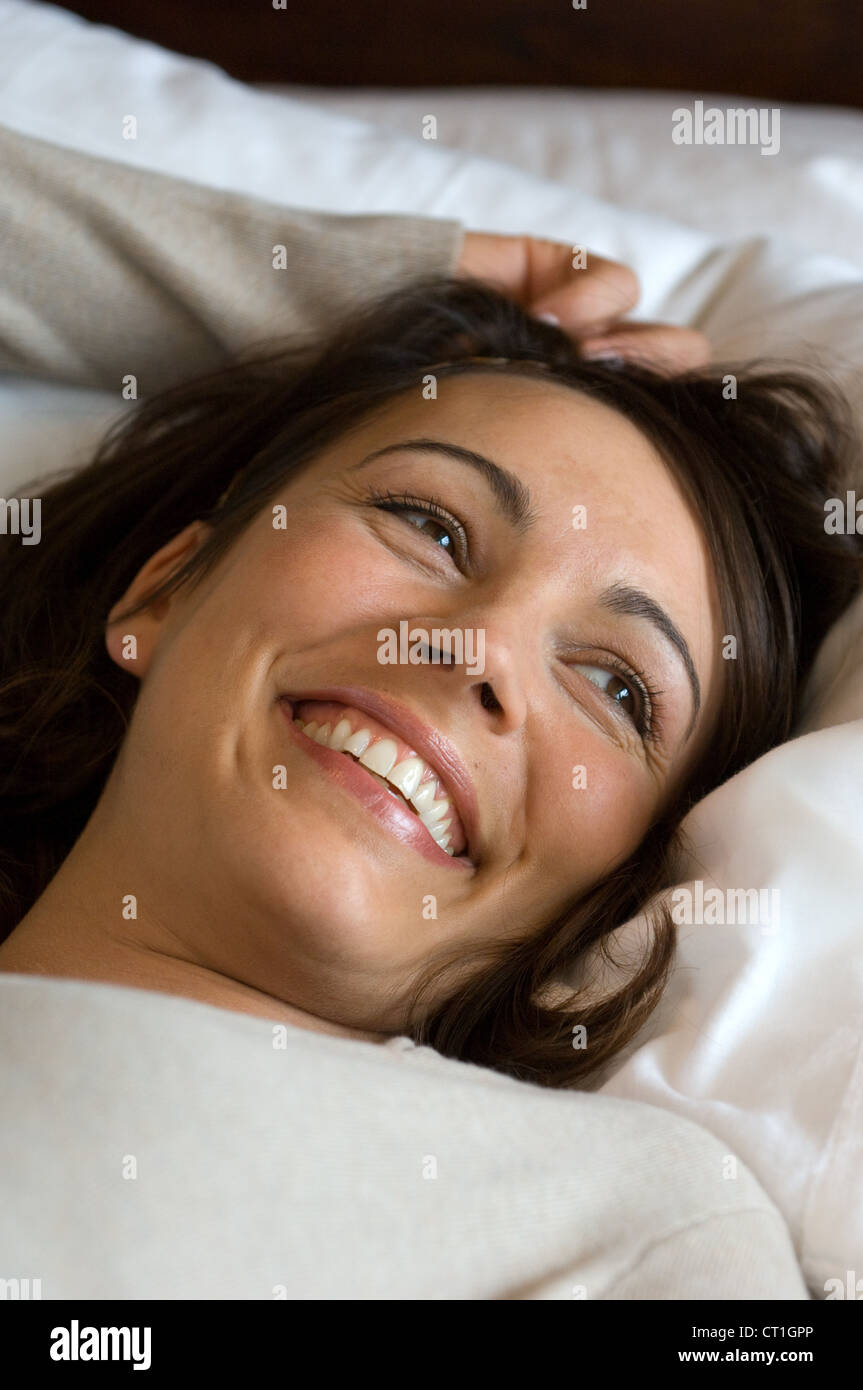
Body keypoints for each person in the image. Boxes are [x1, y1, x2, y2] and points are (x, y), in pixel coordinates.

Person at [0, 122, 860, 1092]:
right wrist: (340, 280)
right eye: (432, 529)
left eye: (615, 687)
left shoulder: (633, 1227)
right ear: (164, 590)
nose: (478, 649)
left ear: (609, 897)